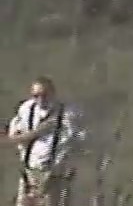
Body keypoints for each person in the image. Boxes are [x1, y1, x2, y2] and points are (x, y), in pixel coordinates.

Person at [7, 77, 82, 206]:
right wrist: (33, 134)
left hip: (54, 175)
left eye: (45, 95)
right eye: (36, 96)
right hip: (29, 172)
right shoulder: (26, 109)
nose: (40, 100)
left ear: (53, 93)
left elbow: (79, 141)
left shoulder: (68, 113)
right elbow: (13, 137)